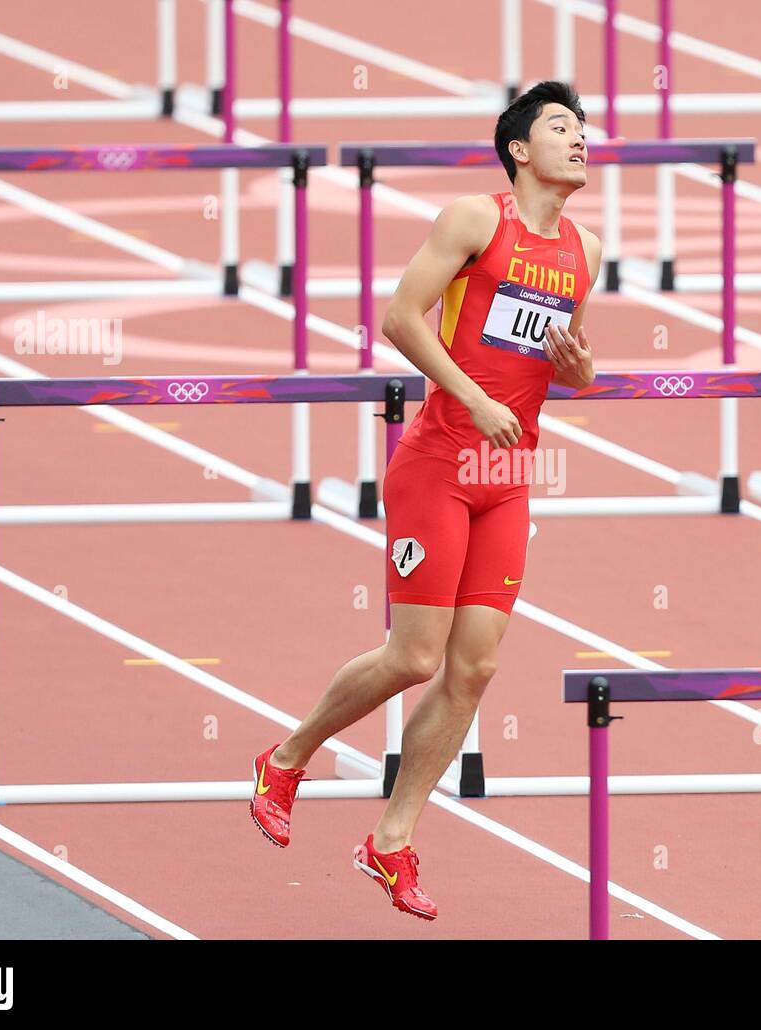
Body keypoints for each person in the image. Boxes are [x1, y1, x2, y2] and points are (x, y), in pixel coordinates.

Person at [251, 80, 601, 921]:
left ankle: (391, 841)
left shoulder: (584, 247)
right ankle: (286, 758)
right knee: (414, 657)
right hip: (439, 463)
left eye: (582, 126)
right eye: (561, 126)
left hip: (505, 480)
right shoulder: (475, 220)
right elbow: (400, 319)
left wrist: (580, 371)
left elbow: (567, 362)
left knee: (473, 668)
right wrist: (473, 400)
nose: (580, 137)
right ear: (520, 149)